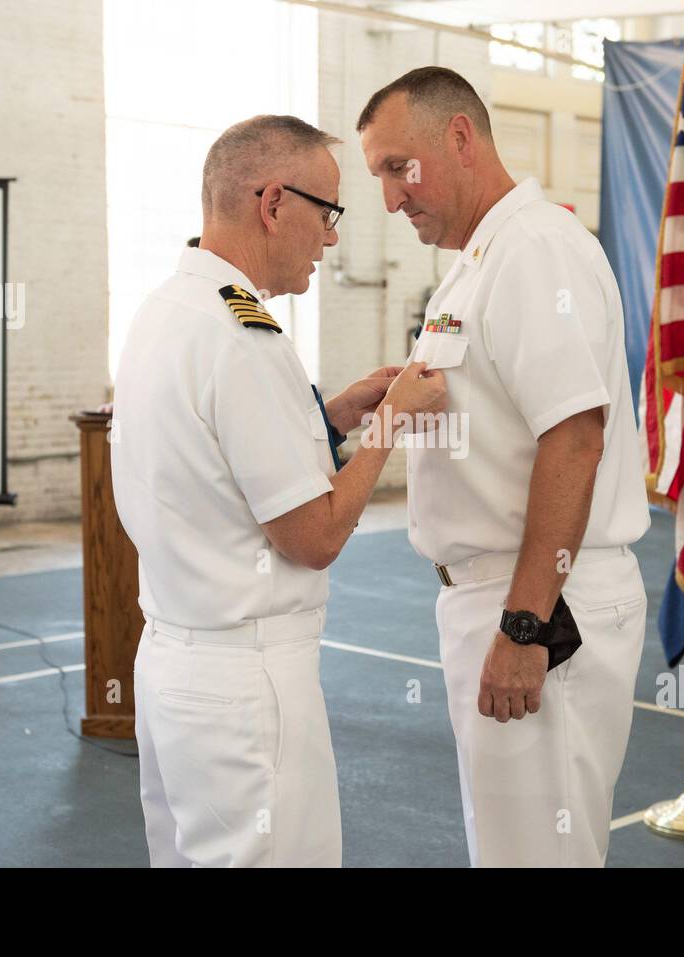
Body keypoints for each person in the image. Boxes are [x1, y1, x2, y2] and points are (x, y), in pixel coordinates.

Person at [111, 114, 446, 867]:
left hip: (173, 664)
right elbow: (313, 536)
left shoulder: (166, 311)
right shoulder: (244, 336)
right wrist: (387, 426)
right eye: (327, 212)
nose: (331, 238)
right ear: (272, 204)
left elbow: (216, 465)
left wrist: (331, 418)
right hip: (244, 682)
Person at [358, 67, 651, 867]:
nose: (389, 198)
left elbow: (575, 437)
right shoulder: (480, 260)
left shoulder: (535, 251)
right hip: (499, 593)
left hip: (542, 602)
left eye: (397, 168)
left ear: (459, 137)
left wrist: (527, 624)